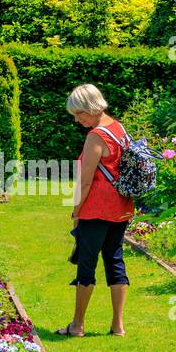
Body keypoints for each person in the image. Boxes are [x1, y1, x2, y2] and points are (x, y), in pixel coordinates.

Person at [56, 83, 133, 337]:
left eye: (79, 114)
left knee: (86, 264)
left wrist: (76, 211)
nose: (77, 120)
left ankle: (77, 326)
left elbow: (86, 180)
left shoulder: (96, 136)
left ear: (91, 107)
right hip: (121, 207)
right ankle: (118, 326)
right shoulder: (118, 128)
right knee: (115, 260)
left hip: (97, 210)